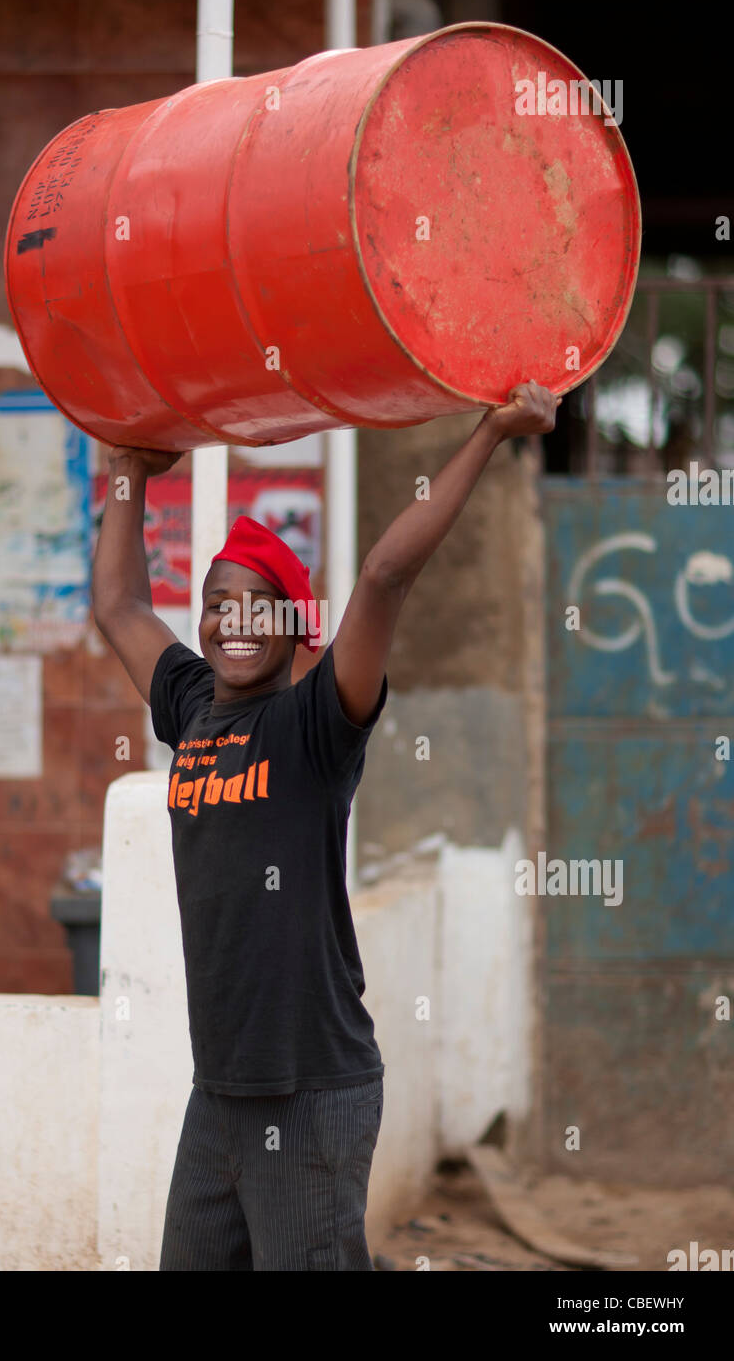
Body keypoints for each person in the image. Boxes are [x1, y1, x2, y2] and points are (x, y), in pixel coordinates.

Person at [92, 380, 559, 1271]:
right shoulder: (192, 706)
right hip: (218, 1095)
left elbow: (384, 575)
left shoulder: (315, 726)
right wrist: (126, 470)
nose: (233, 622)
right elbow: (119, 605)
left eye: (259, 607)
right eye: (220, 603)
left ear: (298, 629)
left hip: (310, 1094)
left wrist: (490, 431)